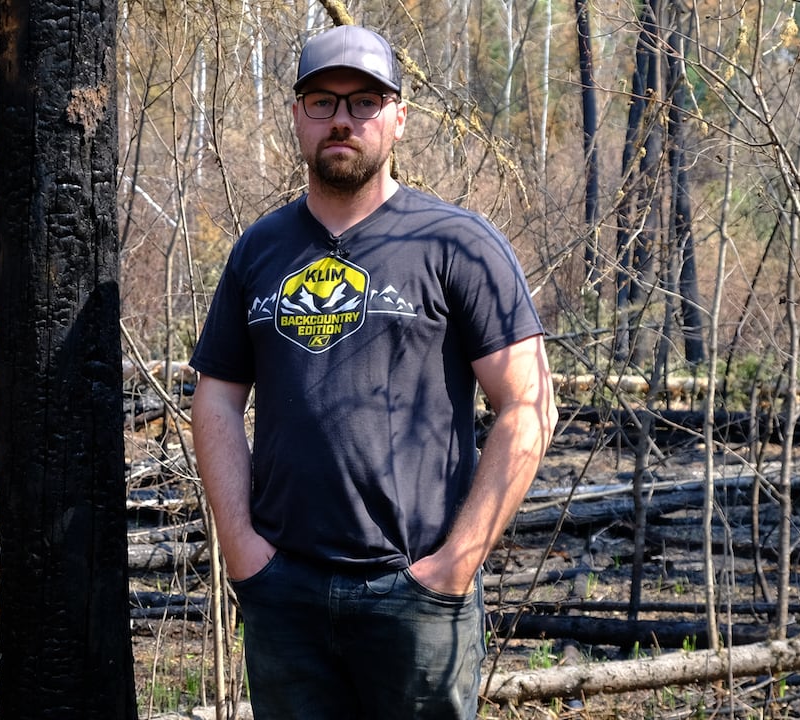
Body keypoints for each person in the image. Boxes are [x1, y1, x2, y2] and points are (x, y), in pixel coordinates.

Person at [189, 24, 557, 720]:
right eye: (322, 101)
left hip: (415, 596)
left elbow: (529, 405)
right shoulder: (258, 251)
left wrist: (452, 568)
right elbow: (215, 400)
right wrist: (243, 552)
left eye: (364, 102)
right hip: (285, 594)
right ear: (298, 117)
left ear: (398, 118)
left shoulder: (455, 243)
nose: (343, 120)